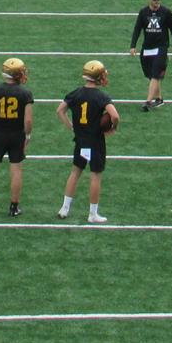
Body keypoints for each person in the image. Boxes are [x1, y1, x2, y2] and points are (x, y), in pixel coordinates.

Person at [58, 60, 118, 223]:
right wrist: (113, 128)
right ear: (98, 77)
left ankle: (64, 208)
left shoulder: (76, 93)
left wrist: (70, 126)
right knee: (95, 176)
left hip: (80, 140)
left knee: (75, 172)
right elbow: (115, 115)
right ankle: (93, 214)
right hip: (96, 142)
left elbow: (60, 110)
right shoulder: (101, 96)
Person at [0, 58, 34, 218]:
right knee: (16, 170)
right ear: (17, 74)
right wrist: (28, 135)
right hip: (17, 134)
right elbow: (28, 120)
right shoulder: (25, 93)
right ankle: (14, 207)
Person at [129, 0, 172, 111]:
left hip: (161, 47)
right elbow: (137, 29)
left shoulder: (166, 12)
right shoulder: (143, 13)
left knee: (156, 73)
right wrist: (133, 45)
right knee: (151, 75)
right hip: (147, 48)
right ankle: (159, 99)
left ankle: (148, 101)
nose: (157, 1)